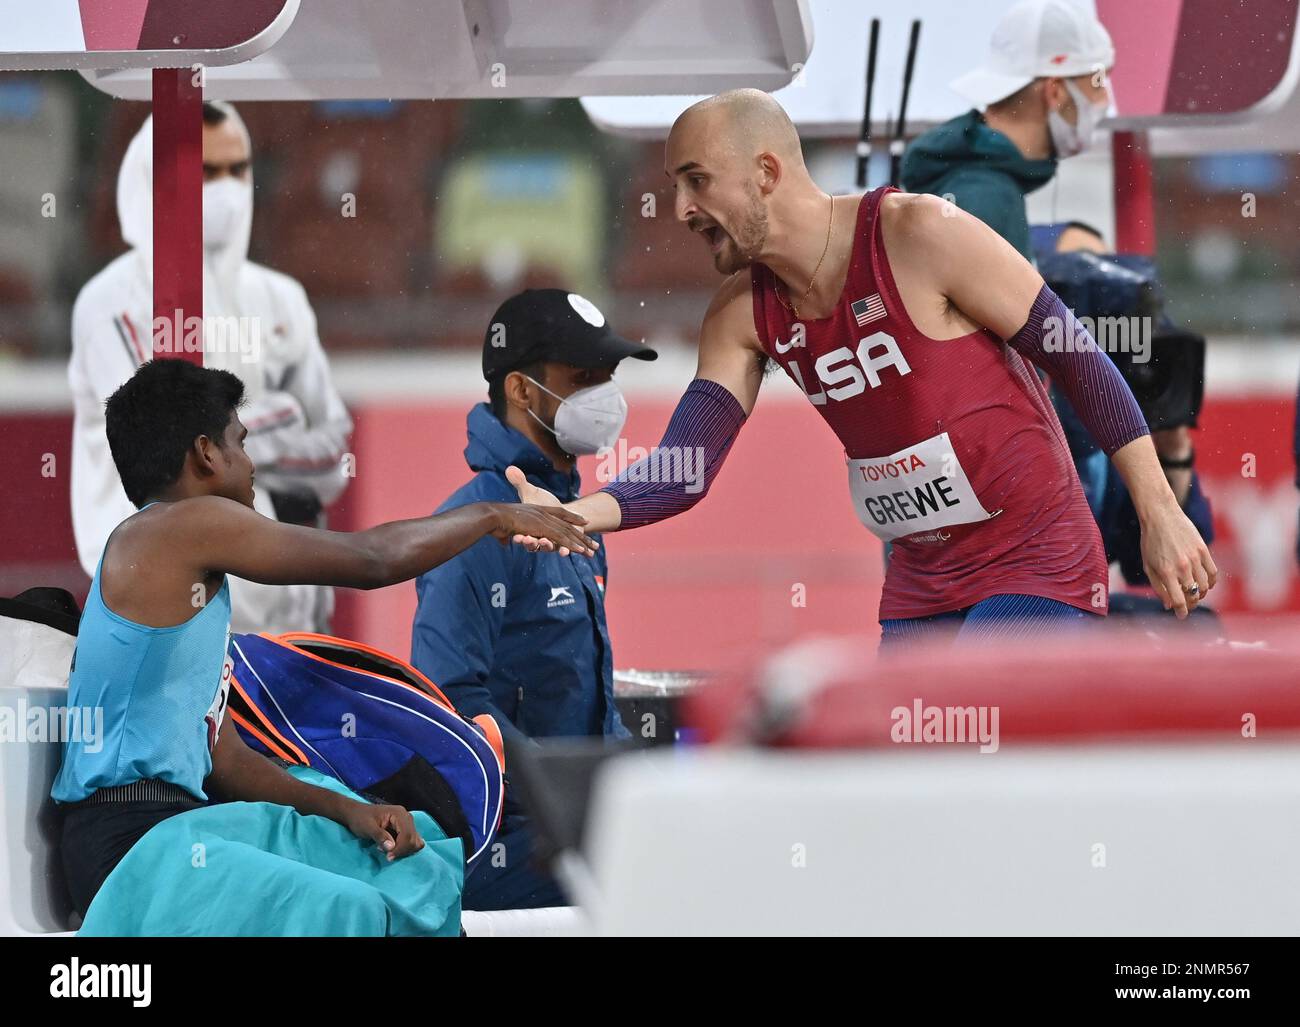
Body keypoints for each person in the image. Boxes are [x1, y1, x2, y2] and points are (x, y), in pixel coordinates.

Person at [506, 88, 1216, 648]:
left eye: (696, 180)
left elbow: (1079, 358)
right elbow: (685, 466)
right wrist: (575, 514)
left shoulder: (920, 235)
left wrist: (1160, 513)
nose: (682, 208)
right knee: (903, 793)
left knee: (976, 760)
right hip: (922, 580)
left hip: (1037, 562)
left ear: (765, 172)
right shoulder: (740, 315)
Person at [52, 358, 597, 928]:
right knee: (352, 910)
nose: (252, 462)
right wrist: (493, 516)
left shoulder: (187, 571)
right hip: (130, 850)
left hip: (184, 825)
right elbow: (371, 559)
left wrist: (353, 810)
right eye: (241, 442)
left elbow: (226, 758)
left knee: (413, 858)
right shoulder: (179, 527)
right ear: (206, 454)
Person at [411, 288, 656, 909]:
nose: (607, 394)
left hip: (579, 826)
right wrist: (562, 797)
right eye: (584, 377)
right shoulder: (472, 528)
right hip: (511, 845)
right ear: (522, 391)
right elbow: (450, 699)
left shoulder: (574, 516)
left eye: (610, 375)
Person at [69, 101, 352, 636]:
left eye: (236, 169)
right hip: (161, 610)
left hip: (290, 614)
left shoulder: (280, 297)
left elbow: (335, 454)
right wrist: (283, 418)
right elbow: (164, 446)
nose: (225, 189)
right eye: (205, 172)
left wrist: (236, 439)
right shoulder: (110, 301)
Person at [900, 0, 1115, 263]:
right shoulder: (988, 199)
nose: (1104, 97)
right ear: (1055, 90)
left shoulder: (971, 179)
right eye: (1098, 82)